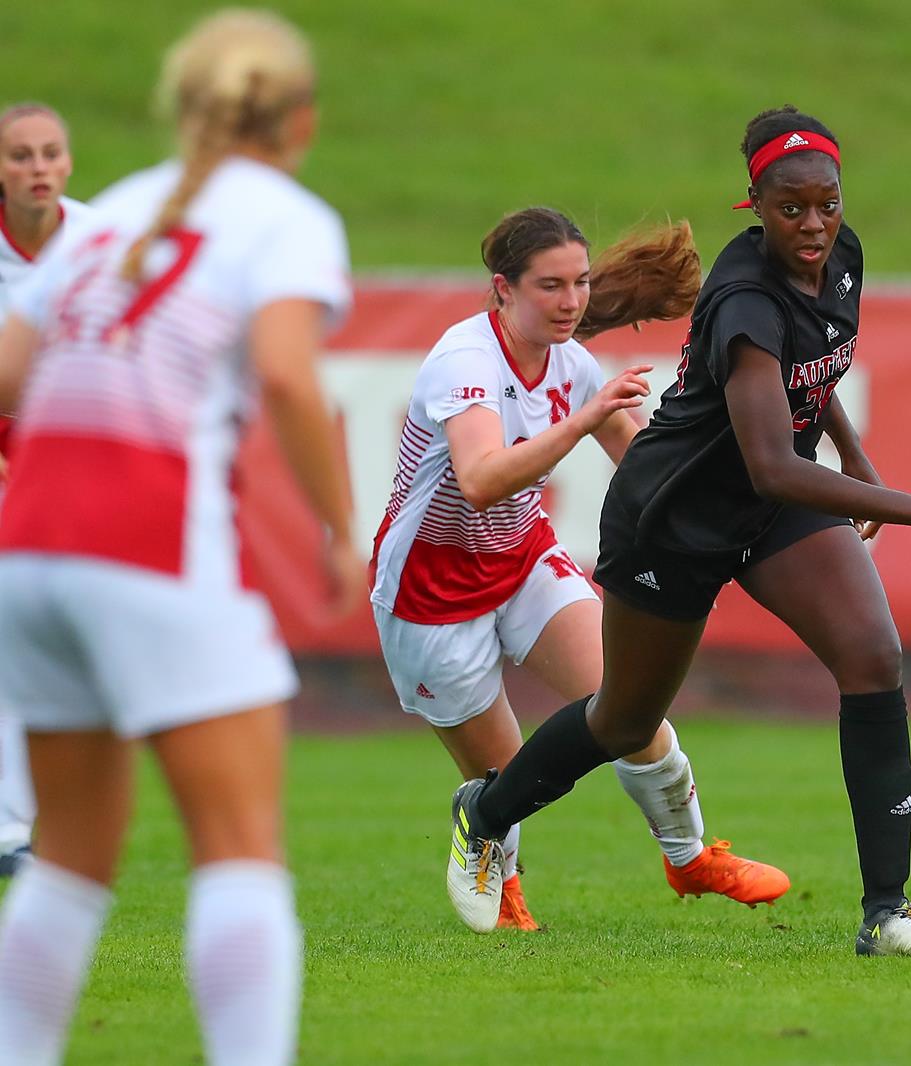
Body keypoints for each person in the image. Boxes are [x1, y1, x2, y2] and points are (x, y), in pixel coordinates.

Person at [443, 105, 911, 956]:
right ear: (755, 203)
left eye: (827, 202)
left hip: (768, 504)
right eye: (790, 208)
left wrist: (859, 463)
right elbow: (775, 461)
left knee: (873, 658)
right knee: (625, 724)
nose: (813, 225)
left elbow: (818, 367)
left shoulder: (840, 260)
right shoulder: (745, 299)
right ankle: (483, 814)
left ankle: (886, 914)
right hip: (675, 516)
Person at [0, 11, 364, 1064]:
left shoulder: (106, 211)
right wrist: (339, 529)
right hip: (145, 532)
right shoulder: (286, 219)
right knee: (240, 851)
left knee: (67, 862)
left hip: (27, 542)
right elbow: (289, 372)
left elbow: (12, 372)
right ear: (298, 121)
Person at [373, 207, 789, 932]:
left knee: (630, 708)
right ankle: (507, 896)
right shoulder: (463, 360)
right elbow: (479, 480)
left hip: (522, 559)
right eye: (550, 286)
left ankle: (690, 859)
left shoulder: (571, 362)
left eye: (581, 283)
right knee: (506, 785)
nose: (571, 303)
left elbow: (643, 471)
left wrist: (728, 525)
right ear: (502, 288)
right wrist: (582, 417)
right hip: (430, 591)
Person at [0, 101, 101, 878]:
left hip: (81, 463)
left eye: (49, 153)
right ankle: (14, 834)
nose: (37, 167)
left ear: (68, 163)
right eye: (20, 155)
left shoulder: (101, 243)